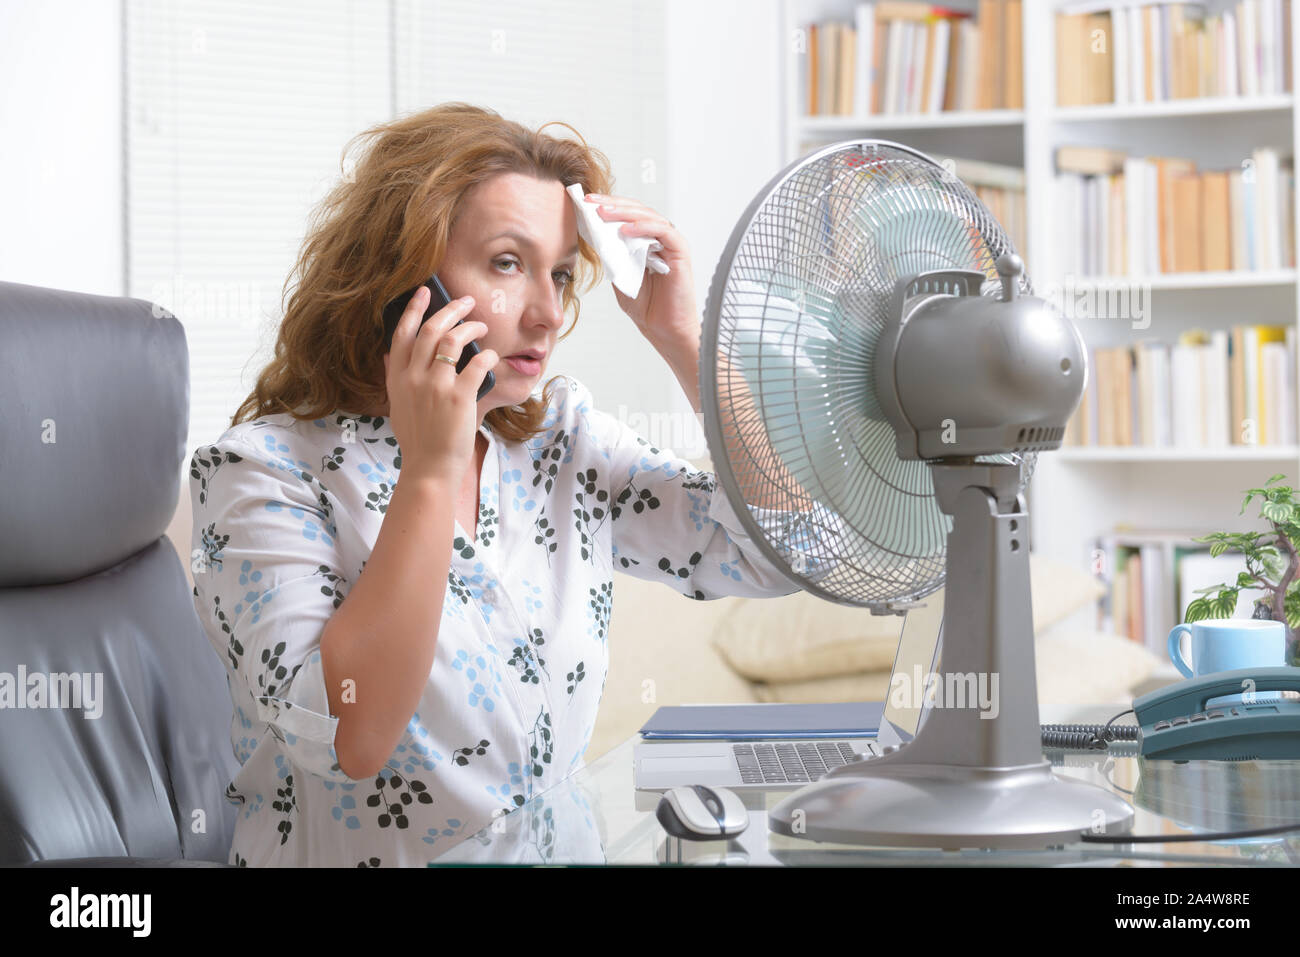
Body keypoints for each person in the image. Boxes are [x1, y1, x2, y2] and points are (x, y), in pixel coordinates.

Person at [189, 102, 803, 867]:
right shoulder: (258, 474)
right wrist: (432, 471)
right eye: (508, 263)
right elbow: (350, 733)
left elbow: (780, 550)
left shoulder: (561, 444)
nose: (547, 313)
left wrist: (686, 338)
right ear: (404, 279)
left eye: (561, 273)